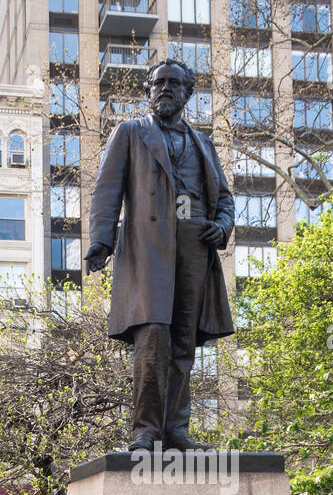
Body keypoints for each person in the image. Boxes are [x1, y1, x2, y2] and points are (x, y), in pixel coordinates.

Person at [85, 58, 235, 451]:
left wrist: (221, 226)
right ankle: (145, 431)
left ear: (188, 93)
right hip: (149, 249)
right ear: (148, 90)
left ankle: (176, 431)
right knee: (154, 337)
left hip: (195, 247)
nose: (165, 89)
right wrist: (101, 242)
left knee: (184, 340)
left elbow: (227, 199)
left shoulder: (203, 142)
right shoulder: (130, 133)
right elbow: (106, 191)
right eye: (159, 83)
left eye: (174, 83)